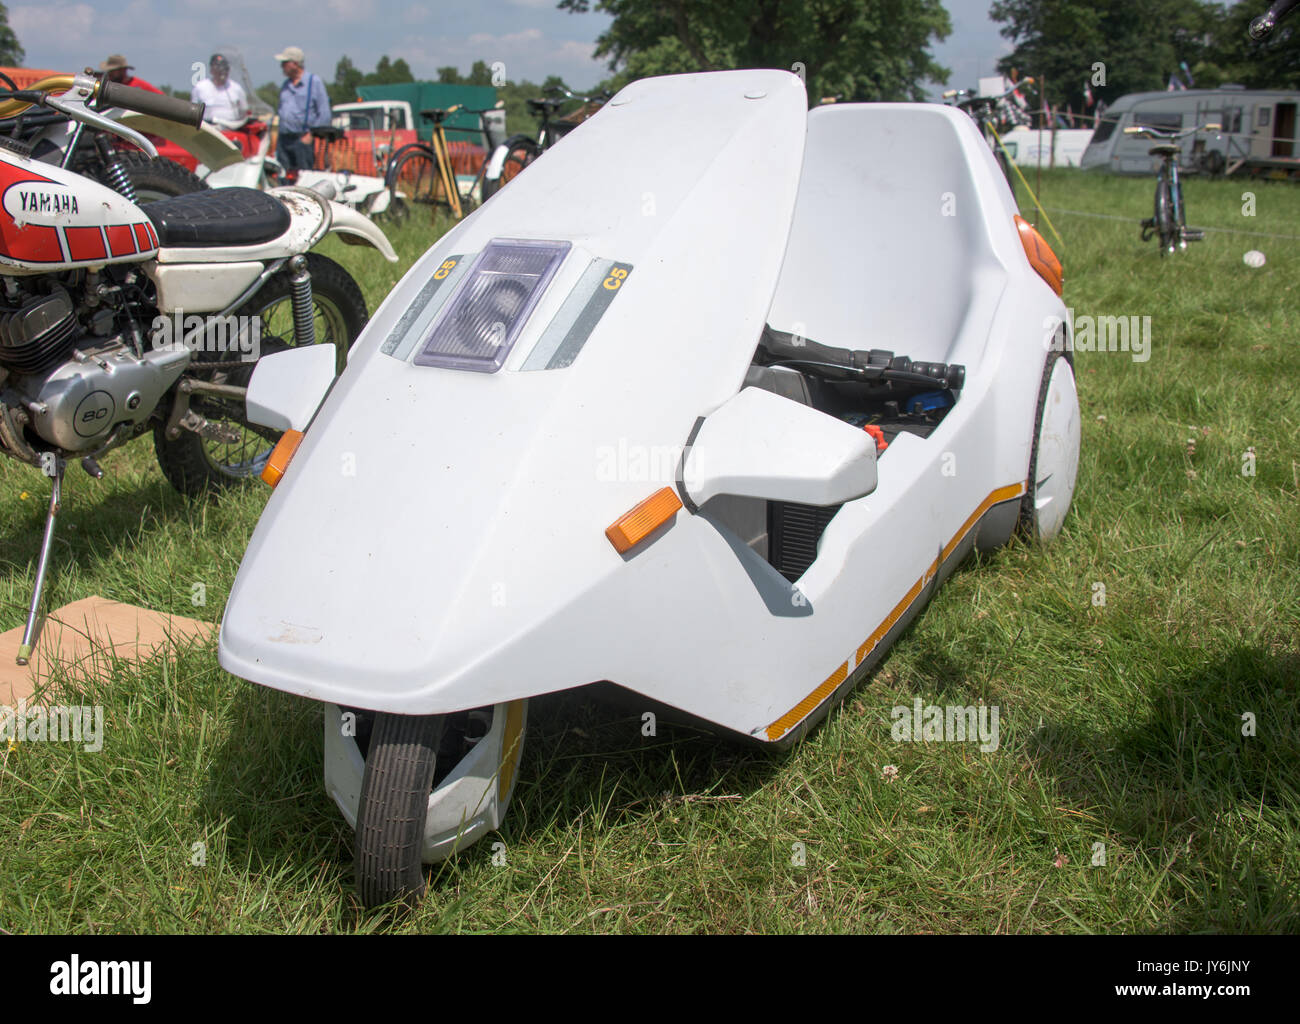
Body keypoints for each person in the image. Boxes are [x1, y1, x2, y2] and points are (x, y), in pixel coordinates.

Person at [274, 45, 331, 174]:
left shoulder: (314, 82)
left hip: (302, 139)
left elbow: (324, 113)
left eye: (284, 63)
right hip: (283, 139)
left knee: (303, 176)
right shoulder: (285, 85)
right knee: (283, 176)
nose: (281, 66)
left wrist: (311, 134)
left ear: (295, 64)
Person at [192, 53, 250, 129]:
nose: (222, 72)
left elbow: (244, 112)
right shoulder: (200, 87)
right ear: (211, 70)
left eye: (225, 69)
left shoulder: (237, 88)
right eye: (218, 68)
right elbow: (193, 112)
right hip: (208, 129)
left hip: (231, 129)